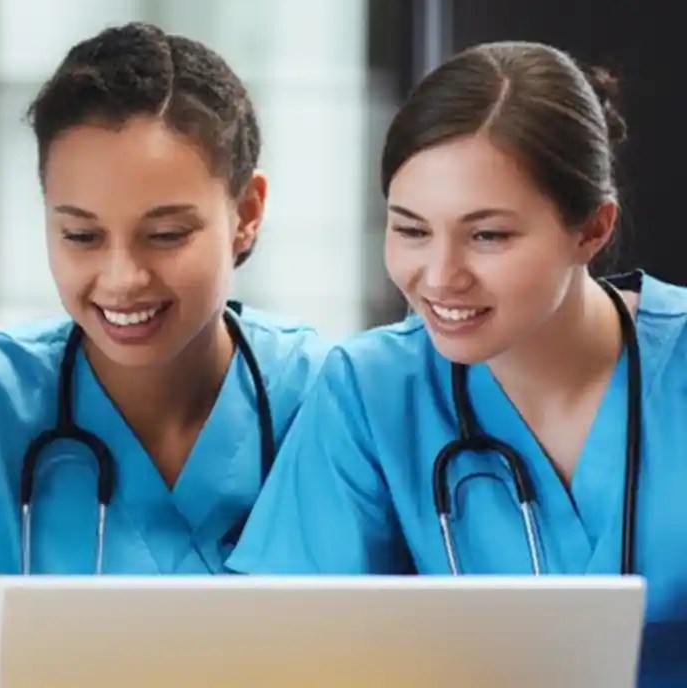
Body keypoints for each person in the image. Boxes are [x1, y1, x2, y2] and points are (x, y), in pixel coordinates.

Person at [0, 22, 329, 686]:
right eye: (80, 234)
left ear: (247, 212)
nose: (121, 277)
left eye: (165, 234)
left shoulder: (325, 399)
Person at [226, 41, 687, 685]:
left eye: (488, 235)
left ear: (591, 230)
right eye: (411, 230)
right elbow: (289, 656)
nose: (440, 278)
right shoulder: (371, 393)